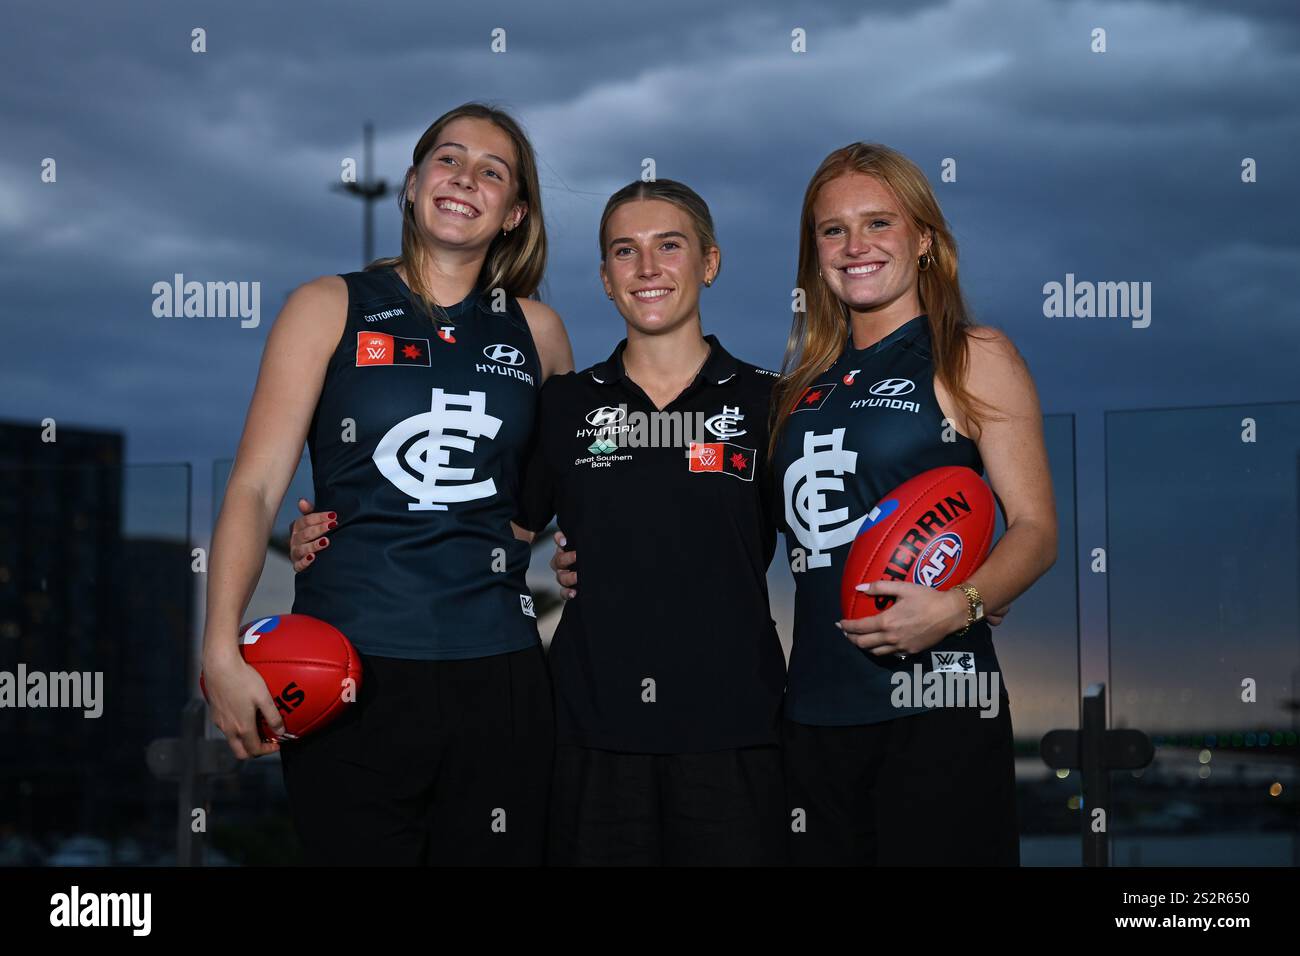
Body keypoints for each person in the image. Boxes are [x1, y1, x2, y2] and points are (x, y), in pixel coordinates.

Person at [296, 179, 789, 866]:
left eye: (668, 246)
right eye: (625, 250)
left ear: (709, 262)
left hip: (738, 731)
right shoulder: (563, 406)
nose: (647, 267)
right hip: (587, 734)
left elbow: (830, 544)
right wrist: (341, 533)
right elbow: (481, 530)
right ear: (606, 279)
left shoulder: (776, 403)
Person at [201, 102, 573, 866]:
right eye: (448, 158)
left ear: (514, 213)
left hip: (499, 674)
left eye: (491, 171)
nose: (465, 178)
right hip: (350, 671)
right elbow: (254, 486)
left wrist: (564, 548)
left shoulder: (538, 331)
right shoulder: (325, 306)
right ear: (410, 185)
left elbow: (562, 482)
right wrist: (218, 650)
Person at [768, 142, 1058, 865]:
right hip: (814, 712)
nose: (854, 246)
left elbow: (1037, 530)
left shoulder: (971, 353)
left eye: (878, 223)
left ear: (924, 238)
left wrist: (960, 603)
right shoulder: (798, 387)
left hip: (939, 711)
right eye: (833, 229)